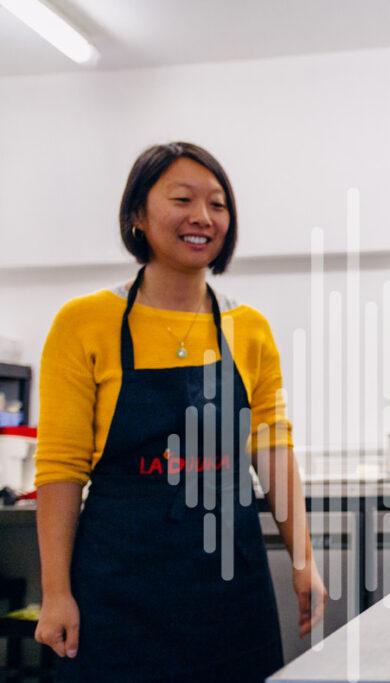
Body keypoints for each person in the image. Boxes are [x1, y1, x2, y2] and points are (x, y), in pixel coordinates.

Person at [32, 142, 326, 682]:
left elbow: (273, 450)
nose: (202, 217)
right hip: (120, 581)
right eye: (182, 199)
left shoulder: (249, 328)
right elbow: (60, 467)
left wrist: (302, 561)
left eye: (217, 204)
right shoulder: (85, 322)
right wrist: (56, 594)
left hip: (228, 582)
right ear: (138, 216)